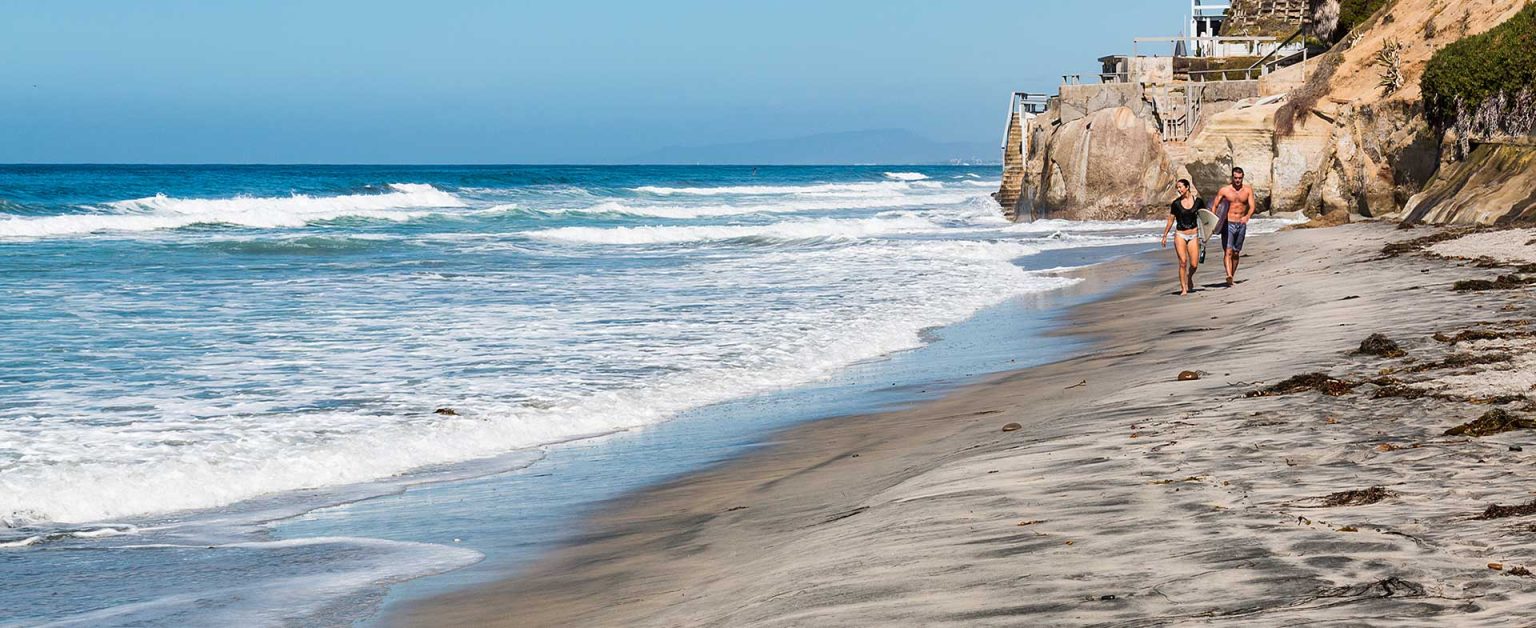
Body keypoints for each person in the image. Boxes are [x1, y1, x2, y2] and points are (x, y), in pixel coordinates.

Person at [1160, 179, 1205, 295]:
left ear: (1187, 187)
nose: (1179, 190)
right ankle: (1183, 288)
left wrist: (1209, 232)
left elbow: (1206, 217)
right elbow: (1171, 220)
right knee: (1183, 262)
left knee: (1194, 264)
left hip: (1193, 235)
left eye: (1180, 187)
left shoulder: (1198, 202)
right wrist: (1164, 235)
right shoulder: (1176, 204)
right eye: (1177, 188)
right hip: (1180, 234)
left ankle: (1189, 276)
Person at [1212, 166, 1255, 287]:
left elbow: (1252, 206)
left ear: (1243, 177)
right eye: (1235, 178)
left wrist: (1247, 216)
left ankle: (1232, 276)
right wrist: (1213, 221)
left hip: (1241, 224)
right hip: (1228, 223)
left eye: (1240, 178)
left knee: (1236, 253)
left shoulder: (1247, 190)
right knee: (1228, 251)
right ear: (1232, 177)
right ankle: (1228, 274)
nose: (1237, 180)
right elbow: (1215, 205)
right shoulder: (1224, 190)